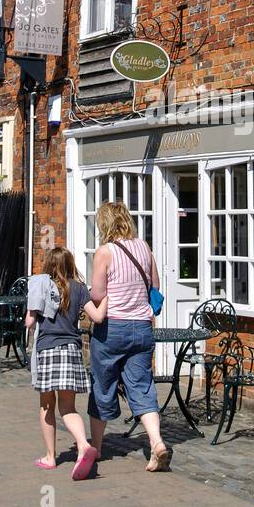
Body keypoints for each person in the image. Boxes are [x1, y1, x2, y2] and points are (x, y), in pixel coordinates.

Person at [86, 201, 171, 473]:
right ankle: (157, 443)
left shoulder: (105, 252)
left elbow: (98, 294)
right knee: (142, 385)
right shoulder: (144, 248)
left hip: (113, 328)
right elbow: (155, 286)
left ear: (105, 224)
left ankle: (97, 447)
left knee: (103, 385)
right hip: (142, 327)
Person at [25, 247, 105, 480]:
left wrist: (30, 313)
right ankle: (83, 443)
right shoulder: (79, 289)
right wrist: (109, 295)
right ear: (70, 264)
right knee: (68, 407)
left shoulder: (41, 285)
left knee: (47, 406)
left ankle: (51, 457)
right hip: (71, 350)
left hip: (47, 350)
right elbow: (98, 317)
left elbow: (30, 322)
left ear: (49, 264)